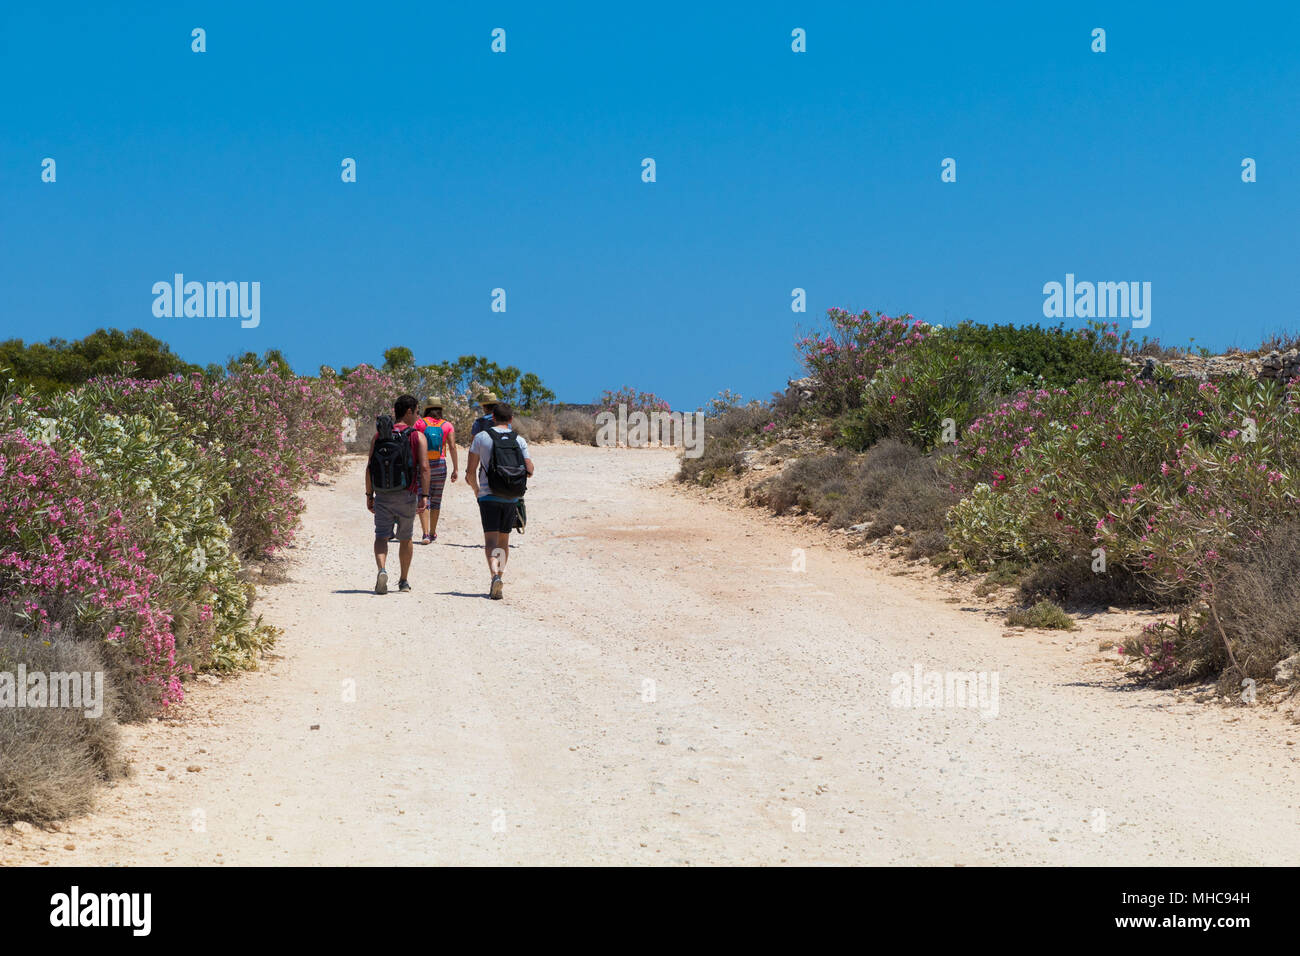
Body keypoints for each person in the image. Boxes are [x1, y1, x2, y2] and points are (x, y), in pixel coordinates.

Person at [465, 402, 533, 600]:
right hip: (511, 497)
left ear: (492, 417)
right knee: (504, 541)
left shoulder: (481, 437)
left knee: (490, 540)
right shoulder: (519, 440)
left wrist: (477, 491)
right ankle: (500, 577)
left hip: (488, 496)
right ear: (511, 419)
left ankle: (494, 575)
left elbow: (470, 472)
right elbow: (530, 470)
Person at [365, 394, 430, 594]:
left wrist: (369, 495)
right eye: (417, 411)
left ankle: (382, 570)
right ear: (409, 411)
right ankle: (403, 581)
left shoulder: (379, 436)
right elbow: (424, 468)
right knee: (406, 537)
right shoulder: (417, 436)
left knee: (381, 536)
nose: (418, 416)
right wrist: (425, 496)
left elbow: (369, 468)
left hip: (383, 493)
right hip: (407, 494)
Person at [414, 397, 458, 544]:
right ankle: (433, 532)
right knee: (436, 499)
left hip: (423, 463)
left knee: (423, 495)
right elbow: (452, 447)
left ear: (427, 409)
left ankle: (425, 534)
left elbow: (413, 442)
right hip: (440, 463)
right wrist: (456, 468)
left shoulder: (420, 423)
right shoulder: (447, 425)